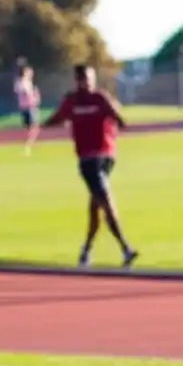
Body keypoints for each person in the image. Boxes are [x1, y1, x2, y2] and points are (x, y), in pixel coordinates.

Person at [42, 64, 139, 270]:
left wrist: (118, 121)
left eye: (89, 79)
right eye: (82, 80)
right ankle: (125, 247)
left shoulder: (100, 98)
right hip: (88, 160)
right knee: (105, 200)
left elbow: (119, 118)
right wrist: (40, 124)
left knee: (96, 206)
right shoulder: (72, 100)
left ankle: (86, 251)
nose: (86, 83)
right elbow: (58, 117)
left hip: (106, 157)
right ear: (76, 81)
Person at [14, 65, 42, 156]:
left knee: (33, 127)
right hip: (28, 107)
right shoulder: (22, 82)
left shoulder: (28, 83)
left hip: (29, 106)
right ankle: (27, 145)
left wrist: (35, 96)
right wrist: (33, 96)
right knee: (31, 127)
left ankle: (29, 144)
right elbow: (25, 93)